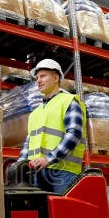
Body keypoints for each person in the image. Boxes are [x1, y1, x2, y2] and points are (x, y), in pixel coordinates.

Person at [18, 58, 87, 194]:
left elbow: (74, 134)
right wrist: (20, 165)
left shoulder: (68, 101)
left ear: (55, 78)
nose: (38, 80)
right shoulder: (36, 112)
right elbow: (29, 142)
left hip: (62, 172)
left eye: (43, 76)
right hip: (37, 172)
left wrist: (49, 159)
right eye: (37, 77)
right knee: (42, 214)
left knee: (63, 213)